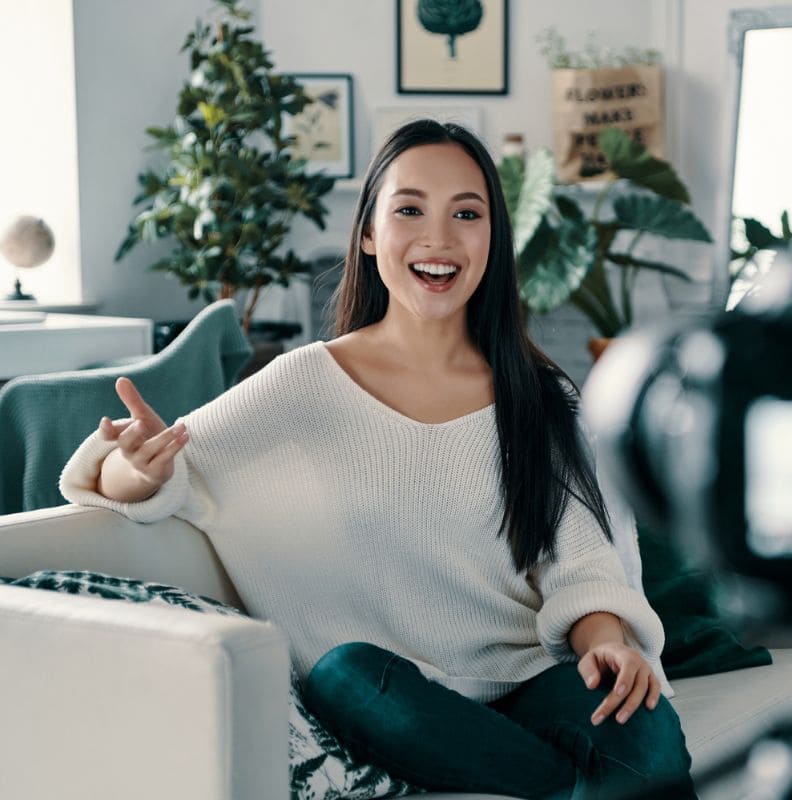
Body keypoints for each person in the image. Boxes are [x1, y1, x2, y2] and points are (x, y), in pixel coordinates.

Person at [59, 119, 696, 799]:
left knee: (648, 730)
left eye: (467, 214)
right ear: (368, 234)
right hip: (397, 700)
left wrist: (608, 642)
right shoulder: (301, 385)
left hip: (532, 682)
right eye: (410, 209)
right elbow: (150, 471)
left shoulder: (538, 395)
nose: (439, 238)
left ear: (493, 238)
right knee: (344, 675)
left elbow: (581, 565)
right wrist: (140, 468)